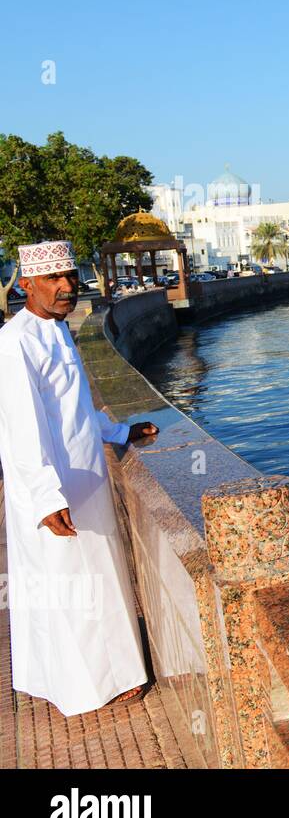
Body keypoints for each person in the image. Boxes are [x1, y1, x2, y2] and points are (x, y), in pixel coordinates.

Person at [0, 240, 158, 716]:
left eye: (70, 276)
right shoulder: (16, 342)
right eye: (53, 279)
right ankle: (97, 683)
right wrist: (46, 497)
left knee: (86, 577)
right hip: (55, 486)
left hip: (83, 475)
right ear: (27, 285)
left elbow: (78, 406)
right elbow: (20, 427)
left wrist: (119, 431)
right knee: (72, 583)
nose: (66, 286)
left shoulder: (57, 330)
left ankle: (73, 677)